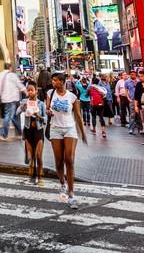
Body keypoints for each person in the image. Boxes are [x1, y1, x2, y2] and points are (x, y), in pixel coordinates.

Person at [47, 72, 87, 208]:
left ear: (62, 82)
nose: (53, 83)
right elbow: (47, 109)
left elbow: (78, 115)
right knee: (59, 161)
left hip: (70, 129)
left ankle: (71, 193)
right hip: (55, 129)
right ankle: (62, 183)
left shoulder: (72, 97)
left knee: (69, 159)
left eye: (55, 80)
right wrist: (47, 112)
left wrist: (83, 133)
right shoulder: (50, 93)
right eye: (52, 80)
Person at [19, 83, 46, 185]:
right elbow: (17, 112)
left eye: (31, 90)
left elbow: (46, 119)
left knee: (39, 155)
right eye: (28, 90)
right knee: (31, 156)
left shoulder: (41, 104)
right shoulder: (25, 101)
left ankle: (40, 177)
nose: (30, 92)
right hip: (28, 130)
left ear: (36, 91)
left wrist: (39, 115)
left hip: (38, 131)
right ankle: (32, 171)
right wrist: (23, 107)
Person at [0, 63, 26, 141]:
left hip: (4, 99)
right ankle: (3, 134)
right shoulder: (12, 75)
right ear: (10, 68)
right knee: (8, 116)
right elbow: (20, 85)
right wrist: (26, 92)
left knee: (14, 116)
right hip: (12, 99)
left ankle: (19, 133)